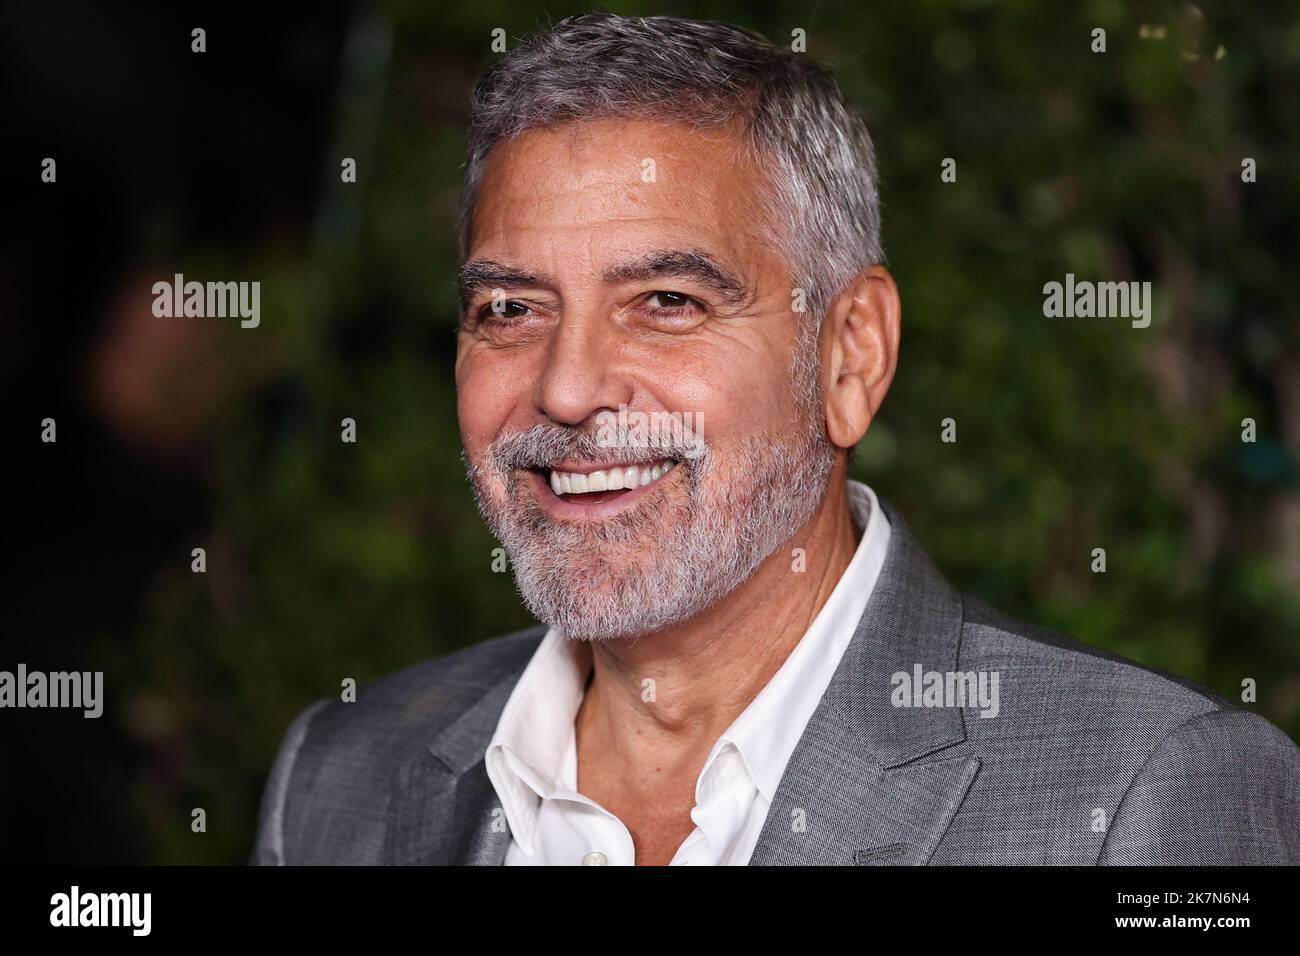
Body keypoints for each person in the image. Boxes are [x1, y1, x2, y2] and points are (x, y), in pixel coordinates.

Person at [251, 11, 1300, 866]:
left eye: (665, 299)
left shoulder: (1141, 791)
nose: (566, 390)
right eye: (511, 310)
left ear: (849, 356)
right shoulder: (339, 779)